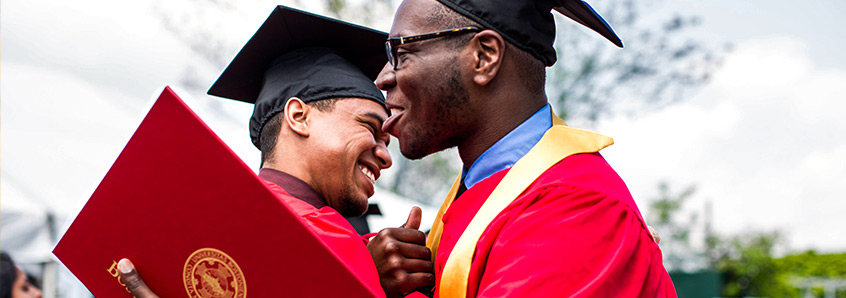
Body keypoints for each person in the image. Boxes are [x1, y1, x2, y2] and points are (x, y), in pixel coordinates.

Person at [367, 0, 677, 297]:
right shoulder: (485, 191)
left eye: (401, 52)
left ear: (484, 57)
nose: (382, 78)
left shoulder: (577, 209)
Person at [115, 6, 416, 298]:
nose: (386, 157)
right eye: (370, 128)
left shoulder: (373, 255)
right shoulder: (184, 226)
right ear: (299, 116)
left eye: (387, 142)